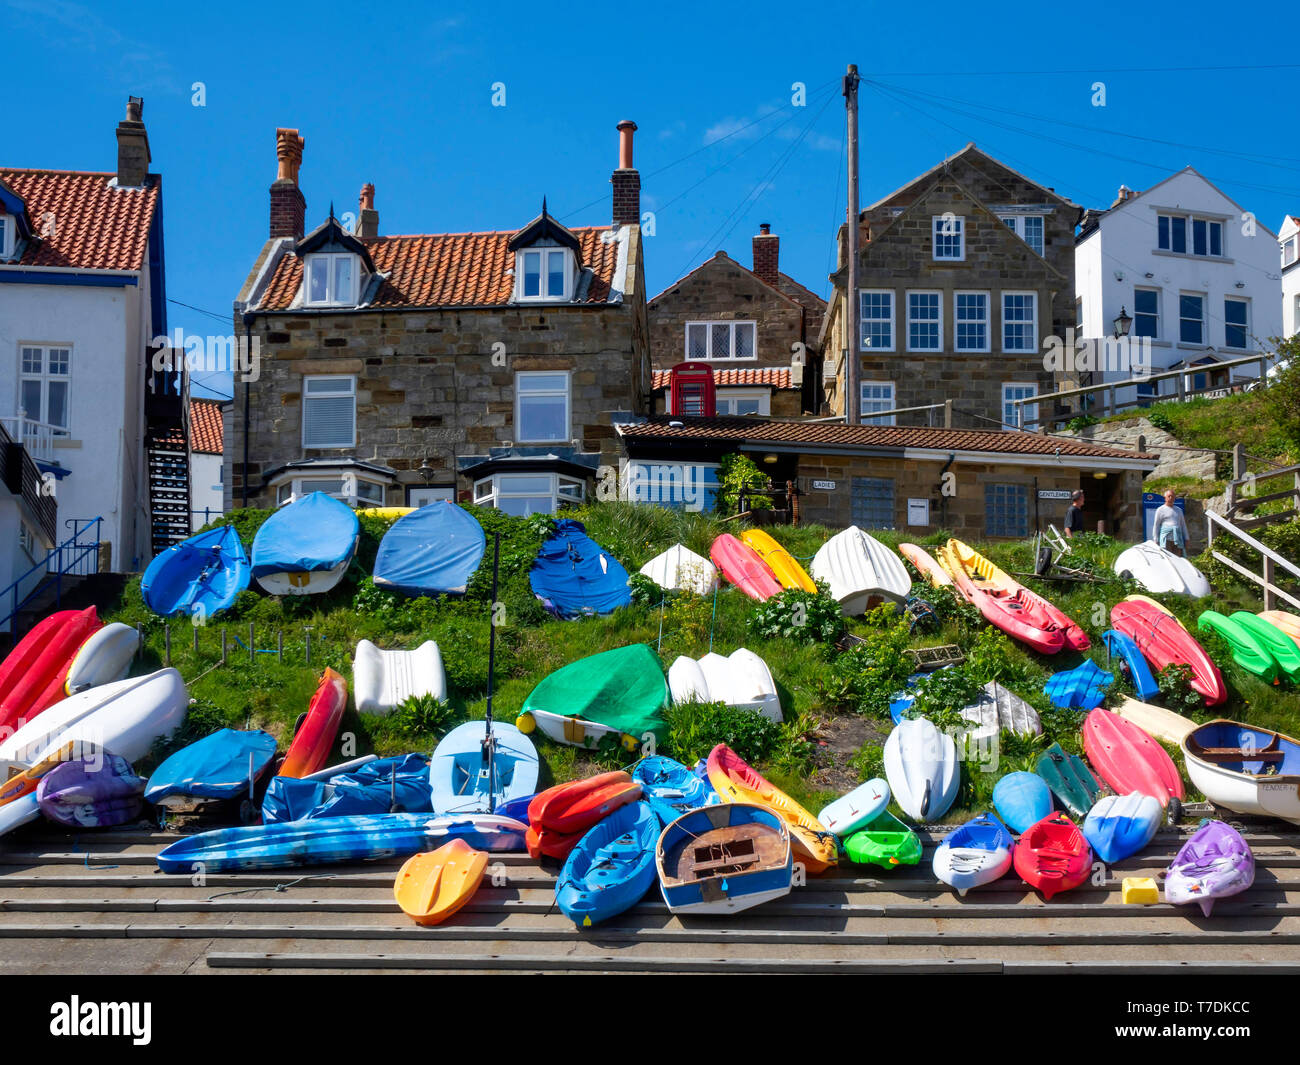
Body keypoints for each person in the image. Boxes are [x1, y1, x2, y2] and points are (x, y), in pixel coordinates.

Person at [1153, 489, 1190, 556]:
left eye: (1172, 496)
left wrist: (1186, 538)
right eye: (1169, 496)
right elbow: (1156, 525)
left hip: (1177, 538)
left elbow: (1183, 525)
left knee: (1177, 557)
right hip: (1166, 538)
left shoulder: (1179, 510)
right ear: (1165, 498)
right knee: (1167, 557)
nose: (1171, 498)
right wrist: (1156, 540)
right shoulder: (1160, 510)